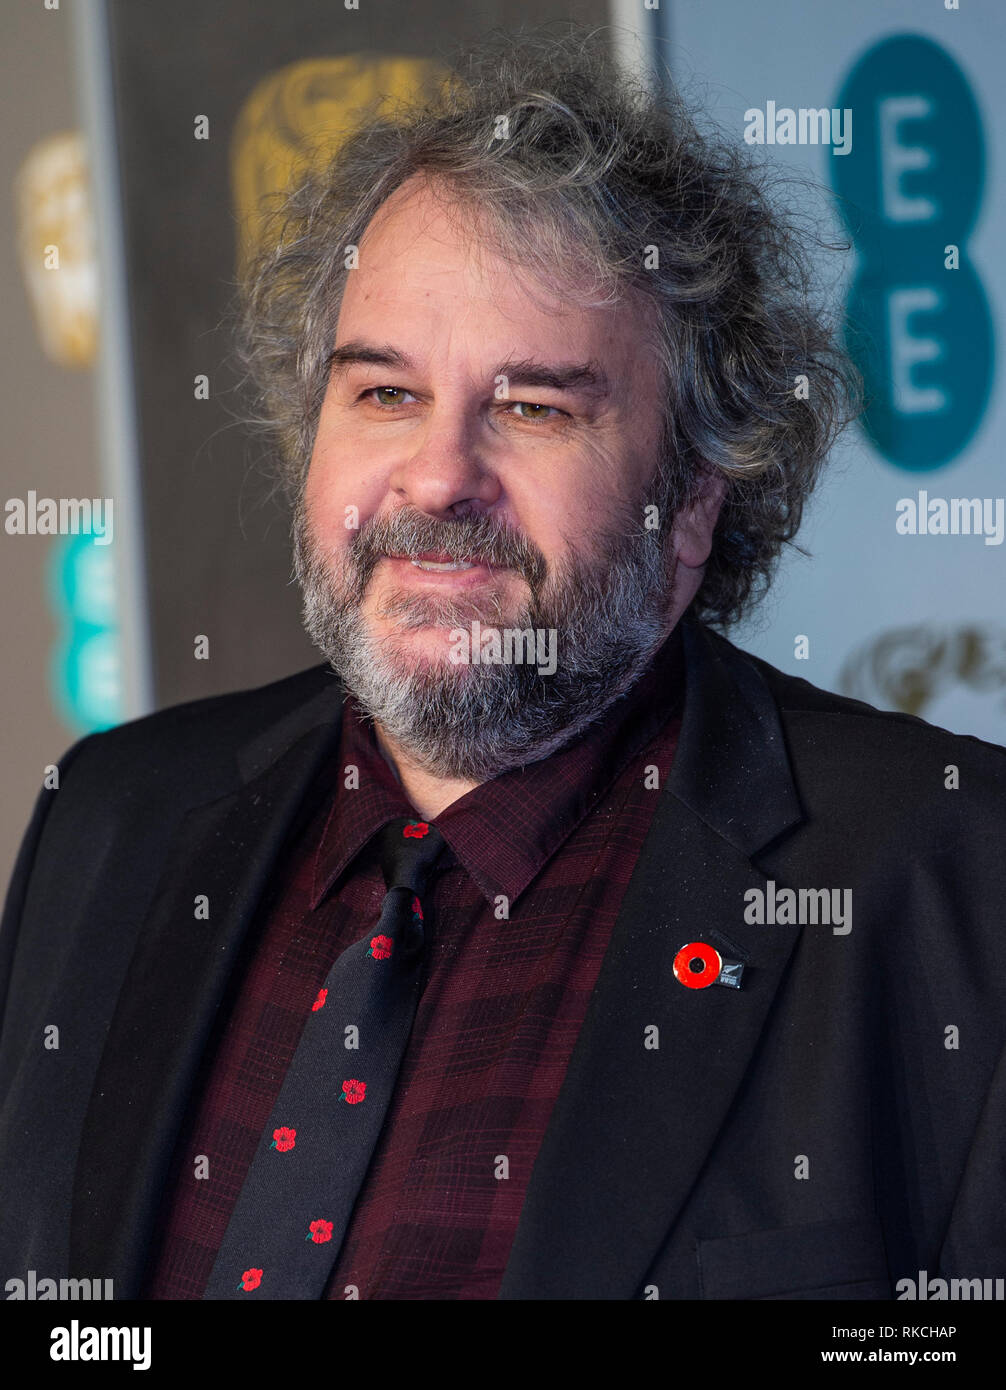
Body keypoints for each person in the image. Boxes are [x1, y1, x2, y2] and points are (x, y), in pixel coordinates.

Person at [2, 26, 1005, 1303]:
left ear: (695, 495)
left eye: (534, 407)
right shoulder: (110, 816)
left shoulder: (953, 879)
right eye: (382, 393)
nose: (436, 475)